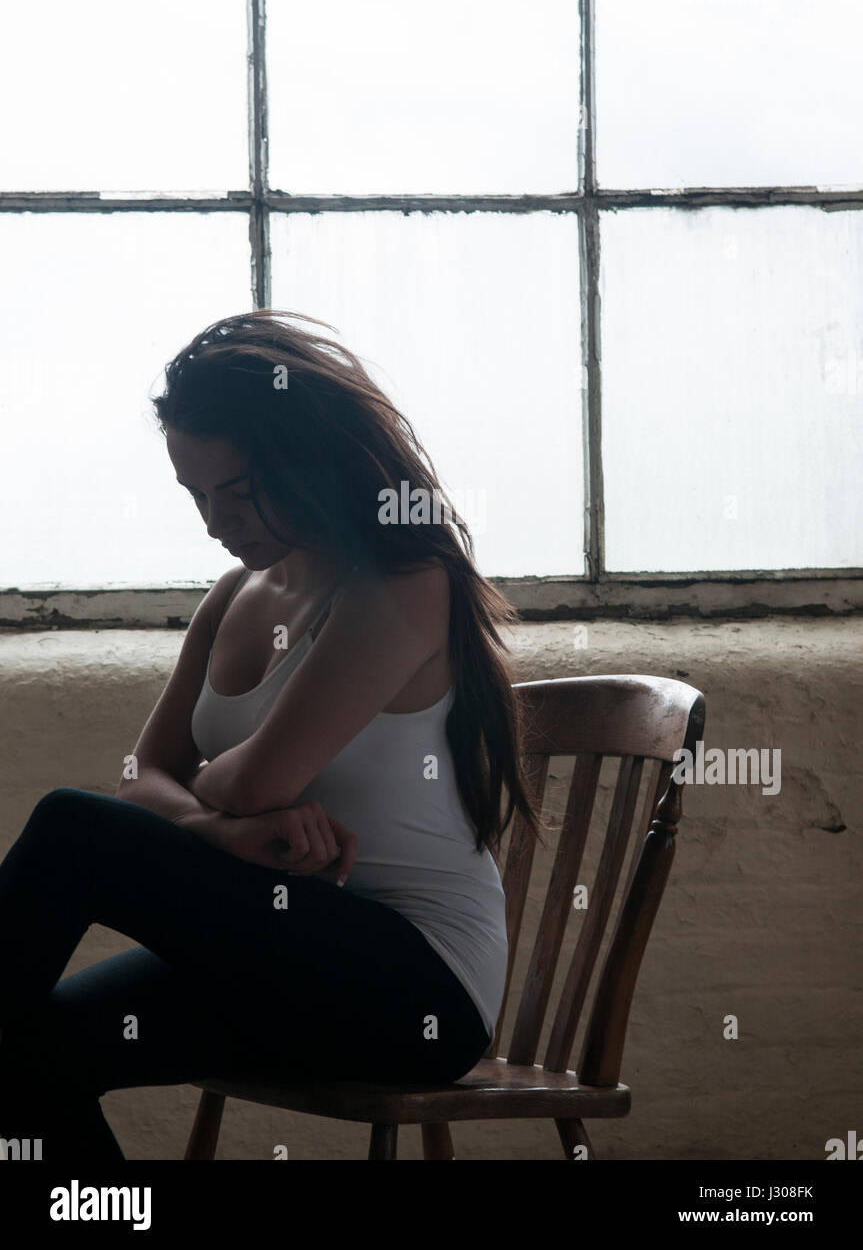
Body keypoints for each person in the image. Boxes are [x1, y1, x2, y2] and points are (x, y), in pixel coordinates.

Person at [0, 308, 544, 1161]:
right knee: (26, 1050)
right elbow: (142, 775)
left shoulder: (403, 582)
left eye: (238, 491)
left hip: (413, 988)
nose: (217, 520)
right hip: (279, 948)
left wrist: (216, 805)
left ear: (304, 461)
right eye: (196, 495)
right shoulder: (235, 595)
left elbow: (251, 784)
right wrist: (219, 829)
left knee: (71, 830)